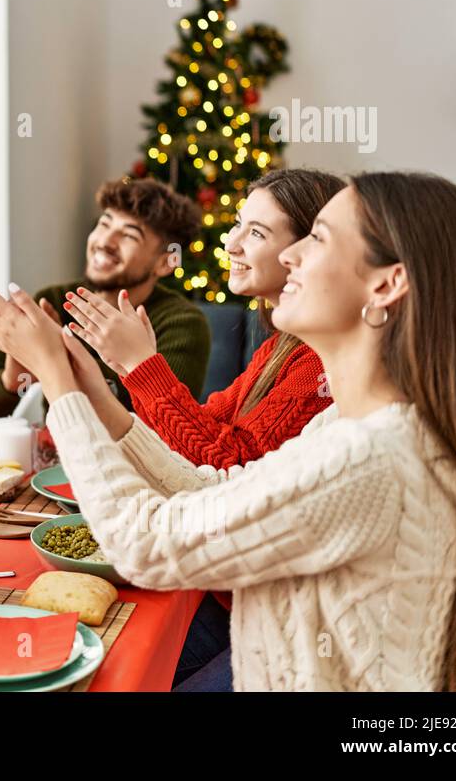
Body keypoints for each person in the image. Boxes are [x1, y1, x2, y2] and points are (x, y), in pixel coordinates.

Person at [0, 171, 456, 690]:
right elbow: (216, 488)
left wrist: (60, 383)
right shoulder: (359, 424)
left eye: (319, 239)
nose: (293, 255)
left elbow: (141, 542)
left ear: (386, 287)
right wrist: (87, 391)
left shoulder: (372, 455)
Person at [62, 168, 345, 689]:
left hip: (260, 605)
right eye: (238, 224)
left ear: (306, 253)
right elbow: (208, 426)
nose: (231, 242)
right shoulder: (280, 346)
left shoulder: (320, 367)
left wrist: (139, 369)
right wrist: (124, 373)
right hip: (223, 590)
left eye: (255, 232)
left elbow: (224, 463)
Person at [0, 177, 211, 421]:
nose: (105, 242)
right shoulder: (54, 300)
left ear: (164, 263)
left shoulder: (183, 323)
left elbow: (161, 420)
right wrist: (10, 382)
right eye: (104, 224)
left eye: (129, 235)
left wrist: (53, 356)